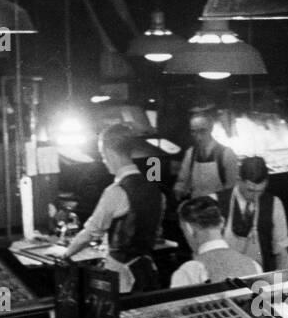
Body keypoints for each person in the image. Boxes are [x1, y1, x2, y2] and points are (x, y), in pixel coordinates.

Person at [65, 122, 165, 292]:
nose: (104, 161)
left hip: (120, 276)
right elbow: (156, 231)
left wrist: (65, 254)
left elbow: (90, 233)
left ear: (110, 153)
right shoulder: (155, 190)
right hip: (146, 271)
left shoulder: (115, 191)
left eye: (102, 155)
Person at [216, 155, 288, 271]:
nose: (255, 197)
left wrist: (279, 280)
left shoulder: (274, 204)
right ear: (239, 180)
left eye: (260, 191)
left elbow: (281, 251)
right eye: (250, 190)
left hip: (261, 276)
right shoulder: (218, 202)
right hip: (225, 275)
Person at [171, 197, 262, 288]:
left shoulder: (189, 271)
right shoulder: (254, 265)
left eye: (183, 231)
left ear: (189, 228)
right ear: (222, 222)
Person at [174, 111, 240, 201]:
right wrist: (178, 192)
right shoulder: (190, 153)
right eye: (193, 132)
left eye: (202, 131)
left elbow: (231, 189)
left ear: (211, 128)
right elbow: (182, 182)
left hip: (218, 206)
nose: (198, 137)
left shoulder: (226, 154)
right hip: (196, 205)